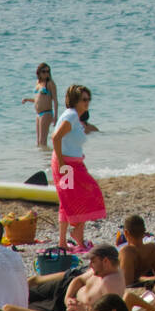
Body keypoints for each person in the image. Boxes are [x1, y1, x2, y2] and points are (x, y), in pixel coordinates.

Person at [50, 84, 106, 252]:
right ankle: (77, 233)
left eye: (88, 99)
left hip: (73, 163)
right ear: (75, 100)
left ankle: (63, 241)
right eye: (84, 99)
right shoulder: (72, 115)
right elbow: (55, 137)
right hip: (67, 165)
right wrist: (61, 163)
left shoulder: (74, 117)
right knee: (90, 192)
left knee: (66, 201)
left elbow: (69, 141)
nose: (87, 102)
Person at [9, 245, 124, 311]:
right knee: (21, 292)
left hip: (62, 309)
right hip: (65, 287)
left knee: (22, 307)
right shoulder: (100, 270)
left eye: (93, 261)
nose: (90, 265)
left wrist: (86, 310)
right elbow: (78, 279)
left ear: (105, 261)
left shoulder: (111, 283)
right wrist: (68, 297)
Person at [117, 215, 155, 285]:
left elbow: (126, 284)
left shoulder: (127, 252)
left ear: (126, 233)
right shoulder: (153, 249)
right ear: (144, 232)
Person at [23, 62, 57, 149]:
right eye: (44, 71)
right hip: (38, 115)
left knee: (42, 141)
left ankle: (48, 160)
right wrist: (27, 99)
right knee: (38, 142)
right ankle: (42, 160)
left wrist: (55, 117)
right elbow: (38, 100)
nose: (46, 74)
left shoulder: (50, 84)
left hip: (46, 113)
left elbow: (55, 101)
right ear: (39, 72)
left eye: (48, 71)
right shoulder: (38, 83)